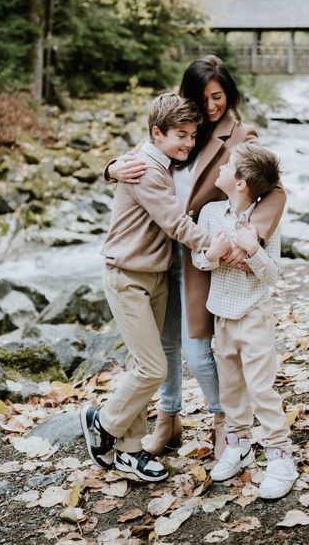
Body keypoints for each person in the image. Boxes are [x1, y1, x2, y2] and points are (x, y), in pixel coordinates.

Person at [105, 55, 286, 458]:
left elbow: (273, 190)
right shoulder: (179, 124)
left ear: (229, 94)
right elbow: (143, 160)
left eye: (217, 97)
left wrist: (249, 235)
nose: (210, 107)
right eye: (201, 97)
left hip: (204, 255)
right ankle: (168, 420)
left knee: (197, 351)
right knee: (164, 346)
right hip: (155, 255)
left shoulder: (241, 136)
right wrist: (112, 168)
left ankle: (227, 424)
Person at [80, 93, 213, 483]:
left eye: (193, 135)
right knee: (153, 368)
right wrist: (214, 244)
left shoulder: (156, 158)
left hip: (154, 275)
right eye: (181, 135)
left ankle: (129, 451)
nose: (188, 143)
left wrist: (110, 168)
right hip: (127, 276)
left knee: (142, 365)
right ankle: (103, 424)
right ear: (157, 133)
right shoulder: (145, 168)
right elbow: (175, 223)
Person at [192, 143, 298, 499]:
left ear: (240, 183)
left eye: (227, 165)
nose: (220, 167)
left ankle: (280, 456)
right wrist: (213, 253)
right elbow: (198, 261)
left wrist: (253, 250)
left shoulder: (263, 223)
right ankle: (238, 443)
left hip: (254, 313)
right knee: (231, 385)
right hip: (221, 312)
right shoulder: (209, 214)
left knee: (261, 386)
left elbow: (272, 276)